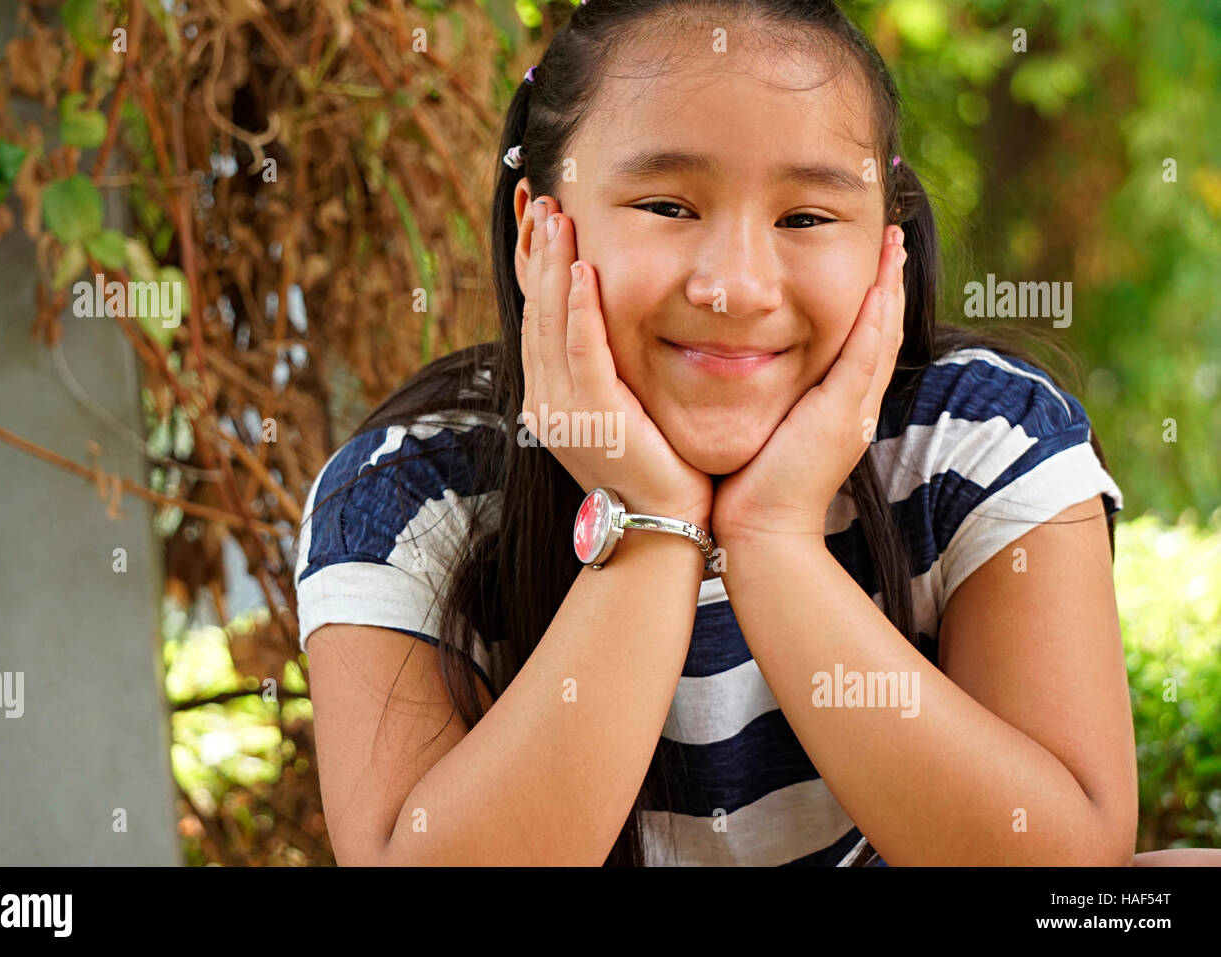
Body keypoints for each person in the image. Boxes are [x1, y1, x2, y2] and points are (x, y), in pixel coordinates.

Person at [293, 0, 1139, 866]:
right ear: (536, 227)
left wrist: (773, 540)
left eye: (805, 218)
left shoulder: (980, 437)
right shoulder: (404, 498)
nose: (736, 286)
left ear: (887, 244)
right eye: (667, 205)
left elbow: (1067, 866)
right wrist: (652, 520)